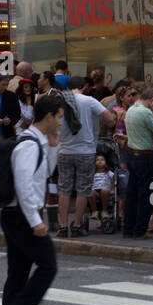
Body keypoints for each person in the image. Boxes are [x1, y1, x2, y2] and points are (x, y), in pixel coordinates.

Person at [0, 95, 65, 305]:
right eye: (59, 118)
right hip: (21, 216)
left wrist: (54, 145)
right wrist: (36, 221)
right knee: (48, 266)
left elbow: (44, 173)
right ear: (48, 116)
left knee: (17, 274)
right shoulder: (28, 144)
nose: (60, 123)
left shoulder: (37, 142)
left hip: (18, 215)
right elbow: (23, 185)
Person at [51, 75, 114, 238]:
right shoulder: (89, 101)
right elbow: (109, 119)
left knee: (64, 189)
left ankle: (63, 226)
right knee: (83, 189)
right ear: (84, 86)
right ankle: (77, 225)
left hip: (64, 150)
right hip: (86, 150)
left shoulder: (60, 100)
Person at [122, 87, 153, 239]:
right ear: (152, 100)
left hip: (133, 154)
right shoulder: (146, 112)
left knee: (132, 193)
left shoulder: (131, 109)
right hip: (145, 156)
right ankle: (140, 230)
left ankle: (128, 228)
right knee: (146, 194)